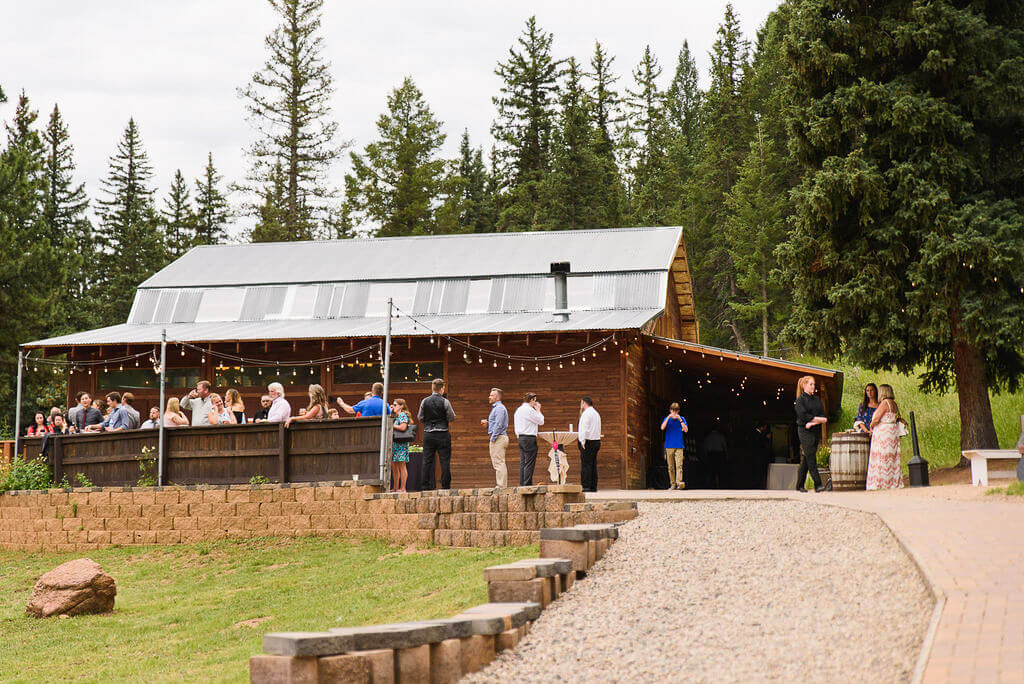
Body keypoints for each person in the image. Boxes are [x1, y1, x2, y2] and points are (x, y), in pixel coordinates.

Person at [417, 378, 456, 490]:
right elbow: (451, 417)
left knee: (427, 461)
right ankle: (445, 486)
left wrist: (428, 422)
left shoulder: (424, 401)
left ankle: (425, 486)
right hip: (443, 433)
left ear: (432, 388)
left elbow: (420, 417)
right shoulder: (445, 402)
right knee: (444, 461)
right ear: (442, 389)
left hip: (428, 433)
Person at [866, 384, 906, 490]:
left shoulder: (884, 403)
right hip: (892, 432)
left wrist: (871, 426)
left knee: (881, 457)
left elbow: (876, 418)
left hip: (883, 433)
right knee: (892, 457)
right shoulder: (894, 404)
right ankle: (893, 481)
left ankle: (881, 482)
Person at [794, 376, 828, 492]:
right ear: (804, 385)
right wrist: (817, 420)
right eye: (811, 384)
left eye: (814, 384)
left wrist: (812, 423)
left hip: (814, 430)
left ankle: (799, 485)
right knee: (811, 457)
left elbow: (824, 417)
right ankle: (818, 484)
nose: (813, 386)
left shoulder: (817, 400)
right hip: (804, 431)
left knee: (807, 457)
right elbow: (803, 417)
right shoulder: (800, 400)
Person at [513, 392, 545, 486]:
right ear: (532, 400)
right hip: (529, 438)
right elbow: (541, 421)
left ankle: (523, 484)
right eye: (535, 401)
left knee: (523, 462)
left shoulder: (518, 410)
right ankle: (527, 485)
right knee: (529, 463)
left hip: (521, 437)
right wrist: (538, 410)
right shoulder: (529, 410)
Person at [481, 388, 509, 487]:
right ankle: (501, 485)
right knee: (498, 462)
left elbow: (499, 424)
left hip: (498, 438)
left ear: (497, 397)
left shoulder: (499, 408)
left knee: (499, 462)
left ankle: (501, 487)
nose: (489, 397)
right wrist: (488, 425)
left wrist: (493, 438)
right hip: (499, 437)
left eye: (491, 395)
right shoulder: (497, 408)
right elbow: (497, 424)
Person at [660, 402, 689, 490]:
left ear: (678, 411)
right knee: (670, 466)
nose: (674, 412)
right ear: (670, 410)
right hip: (669, 445)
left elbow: (686, 430)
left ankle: (678, 483)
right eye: (673, 410)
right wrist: (669, 417)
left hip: (679, 445)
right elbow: (662, 428)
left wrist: (680, 419)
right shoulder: (667, 419)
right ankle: (672, 484)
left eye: (676, 411)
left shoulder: (682, 418)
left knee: (679, 465)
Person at [577, 396, 602, 492]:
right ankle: (593, 486)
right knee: (593, 464)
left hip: (588, 441)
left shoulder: (586, 413)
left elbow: (584, 428)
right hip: (596, 440)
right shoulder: (596, 413)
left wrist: (582, 441)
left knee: (586, 464)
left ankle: (586, 486)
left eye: (581, 403)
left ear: (584, 403)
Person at [391, 398, 412, 492]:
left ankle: (403, 487)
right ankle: (395, 487)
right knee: (395, 466)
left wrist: (391, 425)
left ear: (401, 406)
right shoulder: (396, 416)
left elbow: (403, 427)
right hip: (395, 444)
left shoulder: (403, 415)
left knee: (401, 465)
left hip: (401, 444)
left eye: (395, 405)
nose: (393, 406)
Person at [702, 422, 728, 489]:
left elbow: (705, 447)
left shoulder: (708, 437)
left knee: (711, 470)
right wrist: (726, 455)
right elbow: (724, 446)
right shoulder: (721, 436)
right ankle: (719, 484)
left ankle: (712, 484)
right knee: (720, 470)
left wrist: (705, 456)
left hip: (711, 454)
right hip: (719, 454)